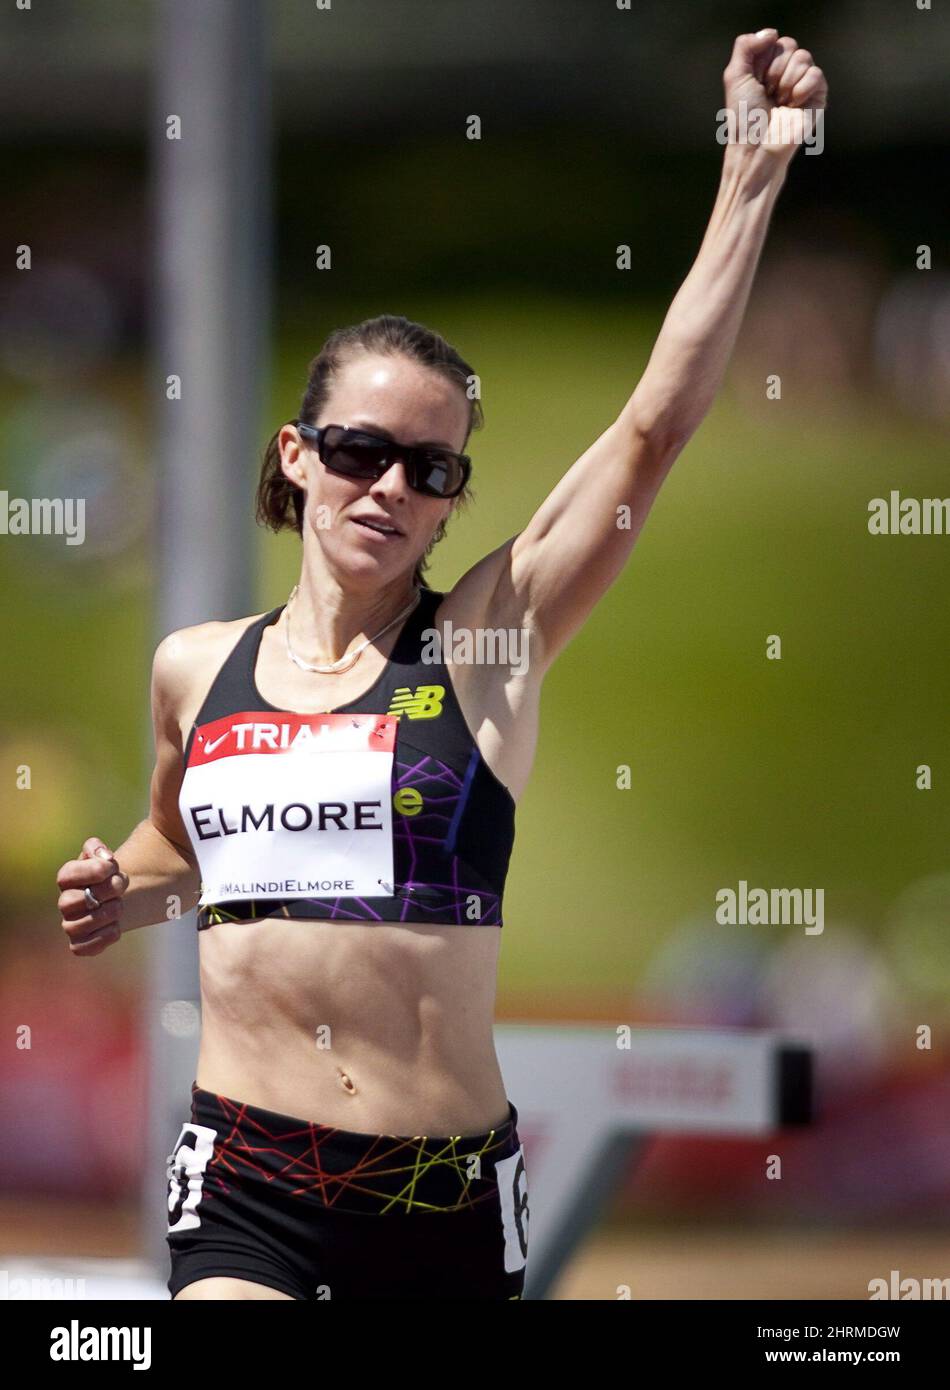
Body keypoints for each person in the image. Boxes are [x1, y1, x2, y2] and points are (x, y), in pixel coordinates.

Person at [56, 30, 826, 1301]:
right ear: (295, 455)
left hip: (441, 1191)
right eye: (359, 449)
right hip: (245, 1178)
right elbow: (179, 852)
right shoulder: (196, 669)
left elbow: (650, 429)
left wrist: (750, 166)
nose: (391, 486)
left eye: (434, 468)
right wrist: (115, 890)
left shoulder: (482, 644)